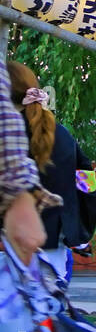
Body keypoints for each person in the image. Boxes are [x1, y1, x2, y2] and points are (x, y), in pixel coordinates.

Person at [7, 62, 94, 281]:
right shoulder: (63, 135)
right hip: (54, 249)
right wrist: (80, 230)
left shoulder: (8, 134)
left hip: (11, 247)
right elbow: (87, 182)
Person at [0, 55, 53, 263]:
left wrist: (19, 200)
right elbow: (86, 184)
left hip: (16, 235)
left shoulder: (14, 130)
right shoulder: (63, 135)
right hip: (48, 237)